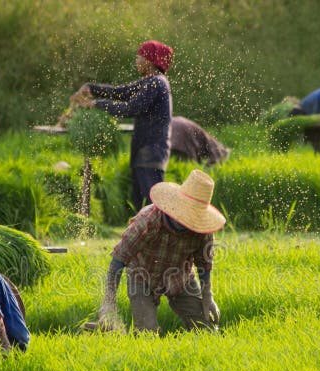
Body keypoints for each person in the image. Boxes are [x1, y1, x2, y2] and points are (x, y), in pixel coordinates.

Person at [97, 169, 226, 334]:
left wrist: (208, 296)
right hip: (142, 275)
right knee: (147, 334)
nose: (190, 223)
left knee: (207, 330)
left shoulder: (202, 229)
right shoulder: (148, 222)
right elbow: (118, 259)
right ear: (175, 207)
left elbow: (204, 263)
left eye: (194, 218)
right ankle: (112, 332)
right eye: (187, 216)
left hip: (181, 277)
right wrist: (109, 302)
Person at [70, 40, 173, 211]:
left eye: (139, 58)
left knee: (153, 205)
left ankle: (163, 235)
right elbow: (120, 92)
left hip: (151, 151)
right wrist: (91, 88)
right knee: (143, 204)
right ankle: (146, 236)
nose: (136, 62)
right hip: (145, 151)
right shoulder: (149, 82)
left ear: (149, 61)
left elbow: (130, 108)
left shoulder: (157, 83)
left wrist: (96, 104)